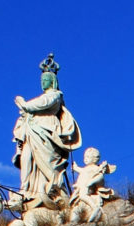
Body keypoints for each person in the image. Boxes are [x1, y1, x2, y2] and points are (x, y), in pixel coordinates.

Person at [12, 54, 82, 206]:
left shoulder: (55, 95)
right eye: (42, 80)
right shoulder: (43, 97)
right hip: (32, 133)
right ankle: (27, 190)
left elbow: (40, 104)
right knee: (26, 159)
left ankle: (54, 190)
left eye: (46, 80)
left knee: (48, 162)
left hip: (47, 132)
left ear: (52, 81)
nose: (43, 83)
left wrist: (24, 104)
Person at [69, 147, 117, 223]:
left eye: (88, 157)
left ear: (94, 159)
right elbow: (81, 170)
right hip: (79, 189)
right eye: (85, 157)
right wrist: (75, 167)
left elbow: (100, 177)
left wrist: (91, 182)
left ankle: (94, 207)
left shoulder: (95, 168)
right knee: (75, 203)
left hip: (87, 188)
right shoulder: (86, 168)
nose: (85, 159)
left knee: (82, 195)